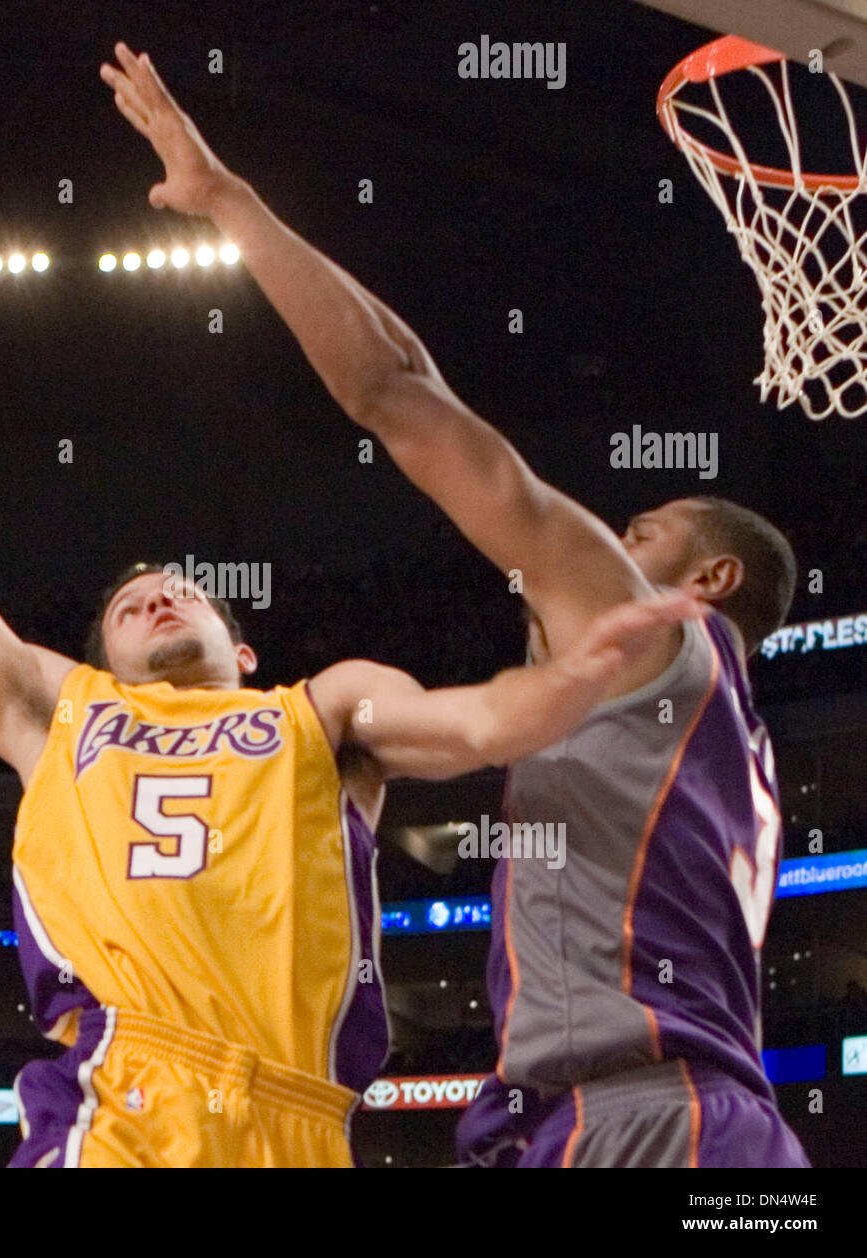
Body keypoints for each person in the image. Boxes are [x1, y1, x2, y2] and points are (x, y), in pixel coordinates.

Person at [0, 261, 693, 1169]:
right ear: (105, 658)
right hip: (121, 1107)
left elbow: (465, 728)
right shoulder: (54, 712)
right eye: (126, 602)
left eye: (181, 586)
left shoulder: (320, 710)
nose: (152, 590)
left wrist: (565, 687)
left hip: (302, 1125)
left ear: (243, 650)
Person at [100, 42, 808, 1167]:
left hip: (638, 1119)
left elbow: (396, 391)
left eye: (636, 537)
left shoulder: (649, 635)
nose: (603, 548)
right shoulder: (729, 731)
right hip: (699, 1123)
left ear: (705, 579)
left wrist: (225, 198)